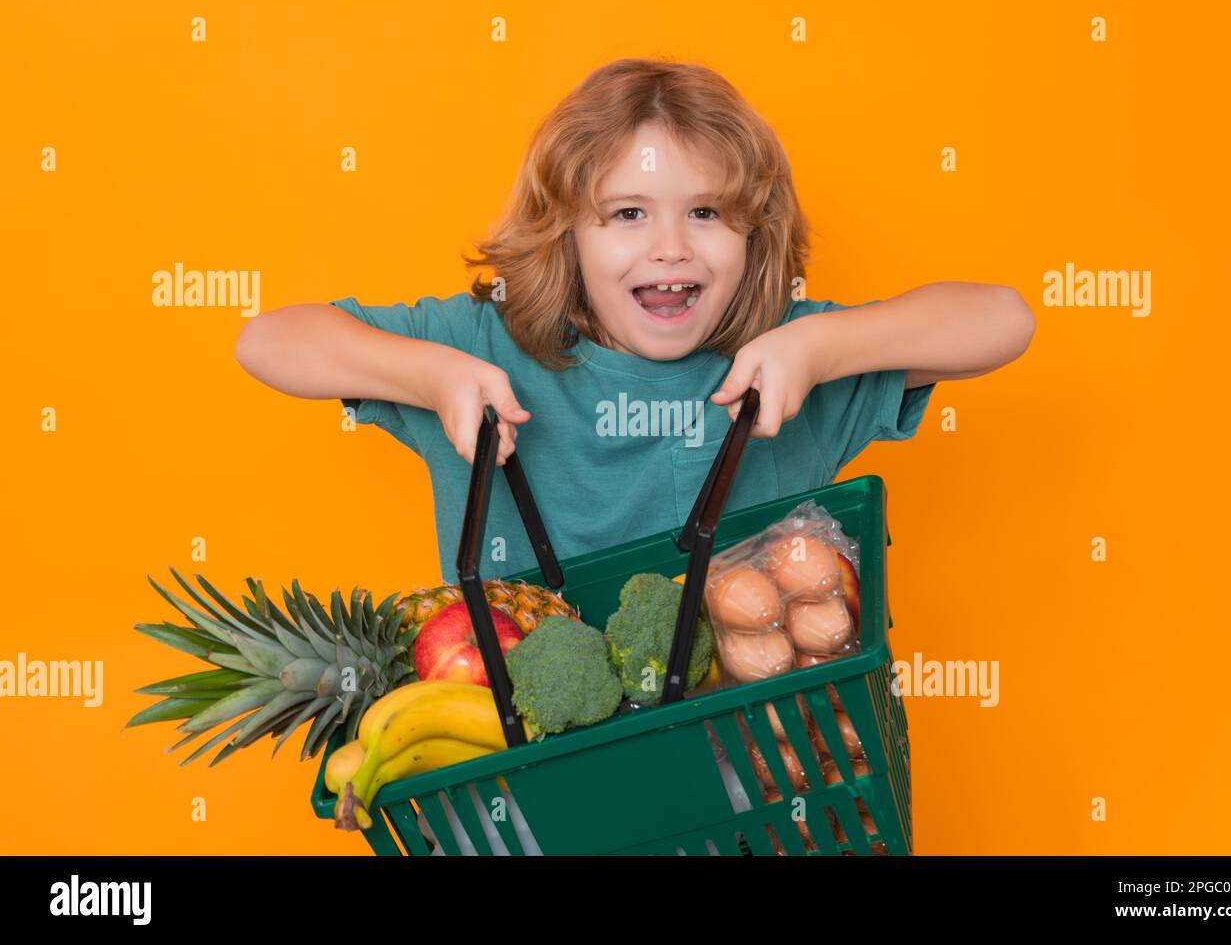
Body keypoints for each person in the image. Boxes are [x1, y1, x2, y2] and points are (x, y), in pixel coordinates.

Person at [235, 58, 1035, 584]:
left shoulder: (788, 361)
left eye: (707, 212)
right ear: (566, 233)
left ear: (755, 234)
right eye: (625, 213)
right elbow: (268, 340)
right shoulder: (487, 346)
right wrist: (430, 377)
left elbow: (1003, 319)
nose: (670, 249)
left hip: (756, 798)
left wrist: (825, 345)